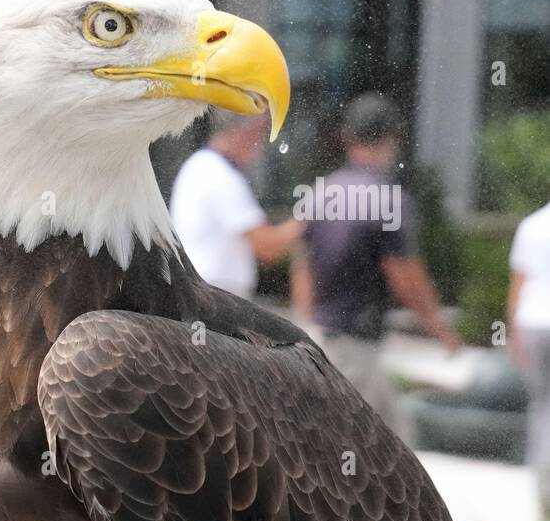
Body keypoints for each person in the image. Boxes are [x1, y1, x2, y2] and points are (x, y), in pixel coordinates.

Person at [290, 93, 461, 441]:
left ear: (346, 136)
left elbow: (303, 264)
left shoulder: (322, 192)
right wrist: (441, 331)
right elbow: (405, 277)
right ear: (394, 138)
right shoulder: (388, 200)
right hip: (355, 346)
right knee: (389, 453)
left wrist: (305, 325)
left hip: (320, 338)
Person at [169, 111, 304, 298]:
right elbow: (266, 247)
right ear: (243, 131)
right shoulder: (217, 173)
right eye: (262, 131)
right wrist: (316, 216)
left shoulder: (203, 165)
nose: (263, 140)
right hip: (214, 296)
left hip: (211, 292)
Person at [507, 202, 550, 521]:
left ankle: (543, 489)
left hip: (533, 324)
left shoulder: (533, 224)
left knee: (541, 408)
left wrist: (513, 333)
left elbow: (518, 285)